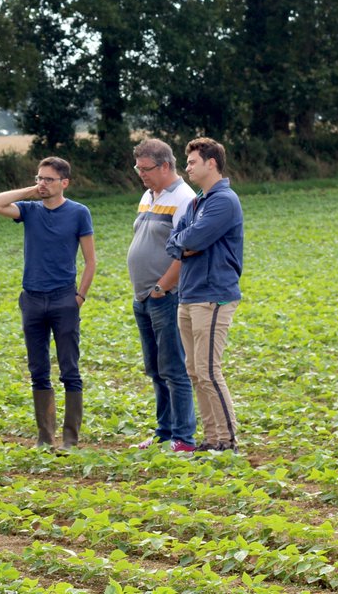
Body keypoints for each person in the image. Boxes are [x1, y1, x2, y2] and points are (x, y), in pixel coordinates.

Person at [0, 157, 96, 450]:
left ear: (65, 183)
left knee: (70, 369)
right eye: (40, 178)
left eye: (49, 179)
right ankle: (45, 438)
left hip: (64, 299)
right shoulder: (29, 210)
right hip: (32, 299)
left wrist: (79, 297)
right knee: (38, 370)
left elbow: (90, 261)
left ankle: (71, 439)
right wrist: (29, 191)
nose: (43, 183)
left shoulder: (79, 213)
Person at [166, 137, 243, 454]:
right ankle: (211, 439)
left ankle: (228, 440)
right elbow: (175, 242)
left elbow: (194, 237)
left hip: (214, 295)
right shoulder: (197, 203)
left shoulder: (224, 201)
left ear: (211, 163)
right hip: (189, 294)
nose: (187, 168)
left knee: (209, 370)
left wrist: (188, 242)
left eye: (192, 162)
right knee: (195, 371)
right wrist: (187, 244)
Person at [127, 139, 196, 453]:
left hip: (164, 296)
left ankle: (183, 437)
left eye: (146, 168)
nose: (141, 174)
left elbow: (186, 251)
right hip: (143, 296)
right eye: (138, 168)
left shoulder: (185, 199)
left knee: (173, 369)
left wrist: (161, 287)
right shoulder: (147, 195)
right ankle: (163, 432)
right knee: (155, 368)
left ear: (166, 165)